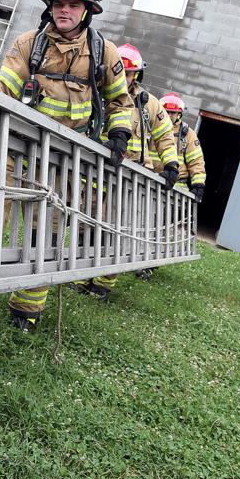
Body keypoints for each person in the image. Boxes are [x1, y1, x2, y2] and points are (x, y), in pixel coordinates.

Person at [0, 0, 133, 329]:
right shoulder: (29, 44)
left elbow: (120, 101)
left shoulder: (104, 53)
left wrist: (119, 133)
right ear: (49, 6)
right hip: (13, 144)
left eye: (73, 5)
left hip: (62, 156)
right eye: (59, 3)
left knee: (46, 229)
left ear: (88, 10)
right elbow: (4, 91)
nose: (65, 9)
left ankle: (26, 309)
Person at [75, 43, 179, 299]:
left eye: (130, 73)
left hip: (130, 177)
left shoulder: (149, 104)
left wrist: (171, 165)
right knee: (87, 227)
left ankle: (102, 285)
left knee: (117, 231)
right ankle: (83, 274)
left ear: (137, 75)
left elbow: (165, 136)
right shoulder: (96, 92)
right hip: (96, 172)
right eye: (122, 71)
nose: (125, 77)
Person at [160, 92, 206, 203]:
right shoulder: (152, 127)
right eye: (167, 112)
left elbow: (196, 162)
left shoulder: (187, 134)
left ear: (179, 114)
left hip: (177, 190)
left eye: (173, 113)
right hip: (150, 179)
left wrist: (198, 185)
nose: (169, 116)